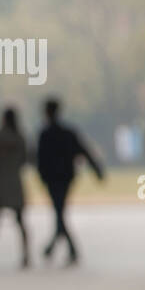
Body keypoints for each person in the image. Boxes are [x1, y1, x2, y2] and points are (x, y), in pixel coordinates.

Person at [36, 97, 104, 265]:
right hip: (65, 178)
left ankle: (62, 248)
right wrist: (96, 169)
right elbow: (83, 150)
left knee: (59, 212)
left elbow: (39, 159)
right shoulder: (67, 133)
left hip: (54, 179)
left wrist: (42, 176)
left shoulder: (46, 134)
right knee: (60, 212)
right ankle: (57, 247)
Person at [0, 107, 31, 267]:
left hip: (0, 183)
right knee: (20, 221)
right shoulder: (20, 137)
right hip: (15, 182)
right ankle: (25, 253)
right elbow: (25, 159)